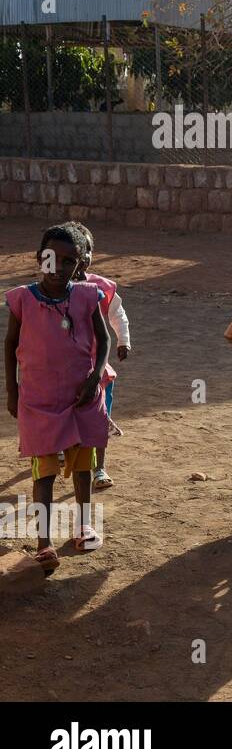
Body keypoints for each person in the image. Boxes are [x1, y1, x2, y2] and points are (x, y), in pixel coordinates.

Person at [4, 223, 110, 573]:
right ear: (39, 258)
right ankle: (45, 542)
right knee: (43, 472)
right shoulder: (23, 299)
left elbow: (103, 339)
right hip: (39, 399)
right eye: (51, 258)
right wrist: (13, 390)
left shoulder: (86, 296)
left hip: (80, 395)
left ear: (79, 266)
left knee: (82, 467)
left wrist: (95, 376)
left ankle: (83, 526)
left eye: (68, 261)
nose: (58, 267)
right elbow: (9, 344)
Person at [67, 222, 131, 489]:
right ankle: (63, 452)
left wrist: (123, 341)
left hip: (99, 366)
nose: (85, 257)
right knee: (67, 415)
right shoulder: (56, 288)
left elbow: (118, 314)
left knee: (99, 419)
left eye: (88, 250)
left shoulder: (101, 286)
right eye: (78, 252)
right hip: (67, 369)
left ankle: (99, 468)